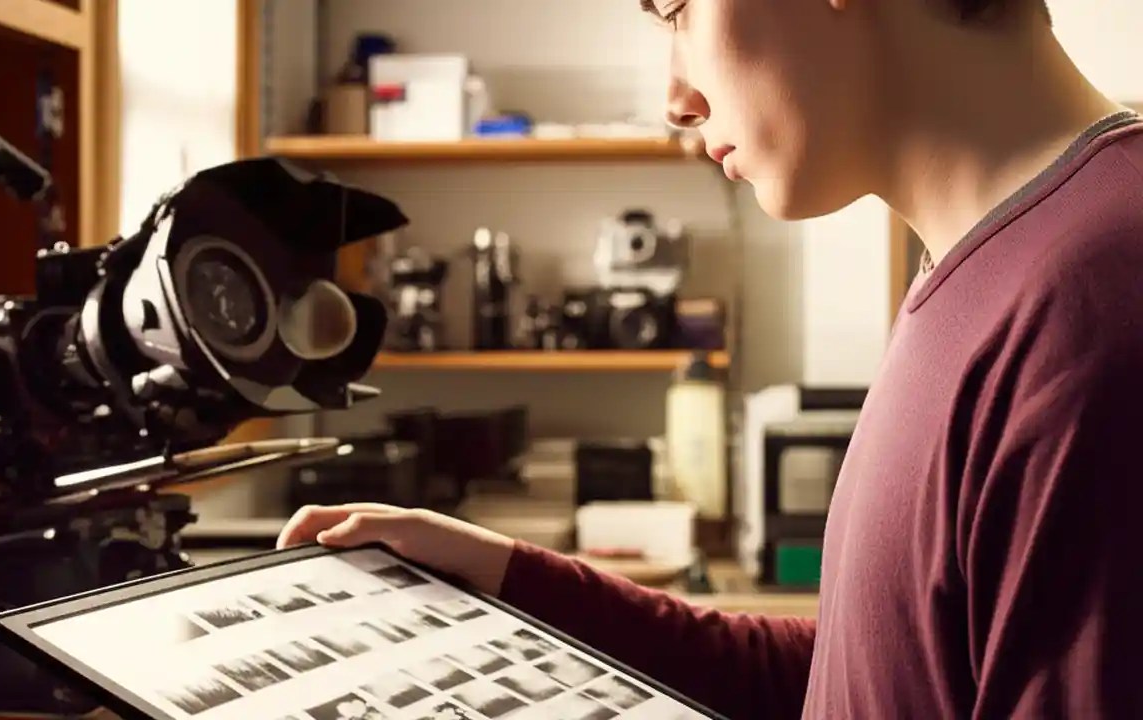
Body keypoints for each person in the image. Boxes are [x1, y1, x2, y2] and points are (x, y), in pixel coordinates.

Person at [280, 0, 1143, 717]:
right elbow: (870, 676)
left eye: (677, 9)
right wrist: (507, 577)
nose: (676, 99)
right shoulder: (998, 269)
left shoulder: (1099, 304)